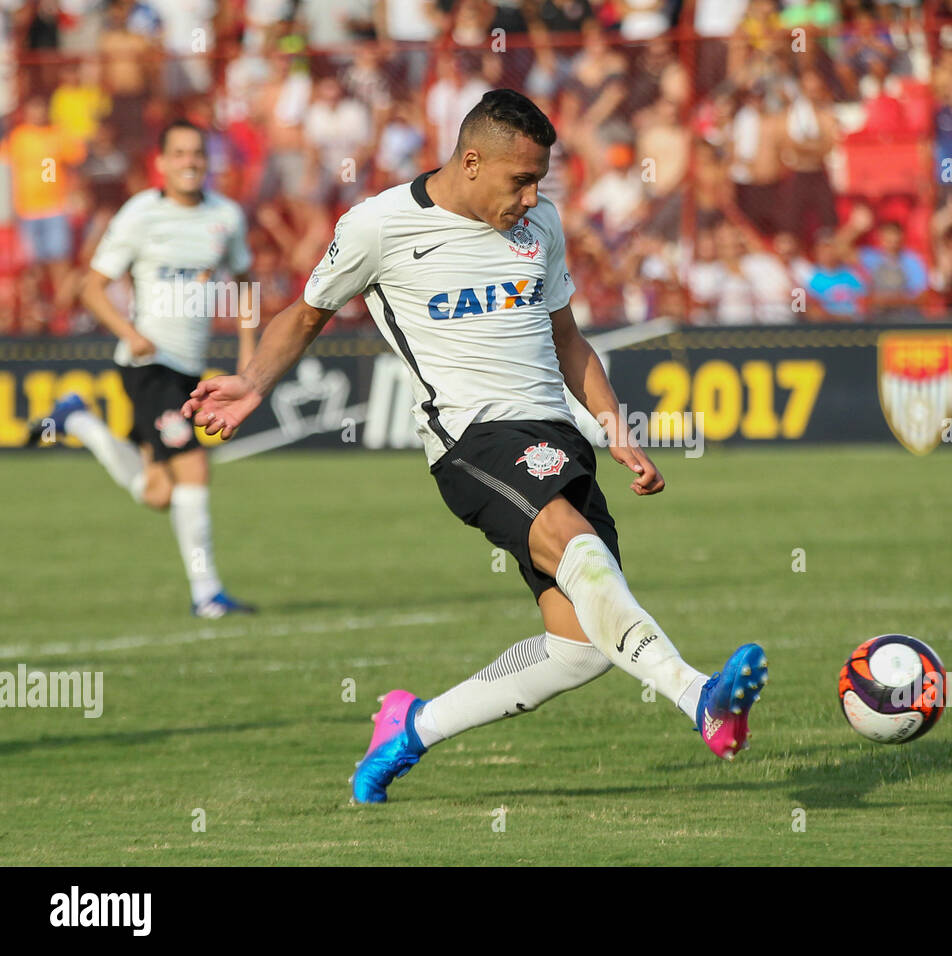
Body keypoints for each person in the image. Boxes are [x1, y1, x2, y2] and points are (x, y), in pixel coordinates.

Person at [181, 90, 769, 804]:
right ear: (470, 161)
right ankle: (698, 696)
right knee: (575, 546)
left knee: (579, 649)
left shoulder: (540, 225)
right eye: (519, 180)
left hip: (556, 438)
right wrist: (251, 383)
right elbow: (307, 314)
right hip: (472, 441)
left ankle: (408, 728)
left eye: (539, 183)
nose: (531, 197)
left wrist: (614, 427)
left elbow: (567, 338)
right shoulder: (378, 226)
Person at [28, 120, 258, 618]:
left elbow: (245, 284)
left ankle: (77, 420)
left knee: (159, 493)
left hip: (189, 371)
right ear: (162, 162)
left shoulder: (226, 216)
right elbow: (91, 286)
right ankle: (207, 594)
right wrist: (129, 333)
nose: (190, 161)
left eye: (197, 152)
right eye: (179, 153)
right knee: (193, 467)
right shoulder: (141, 214)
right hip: (147, 364)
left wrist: (248, 352)